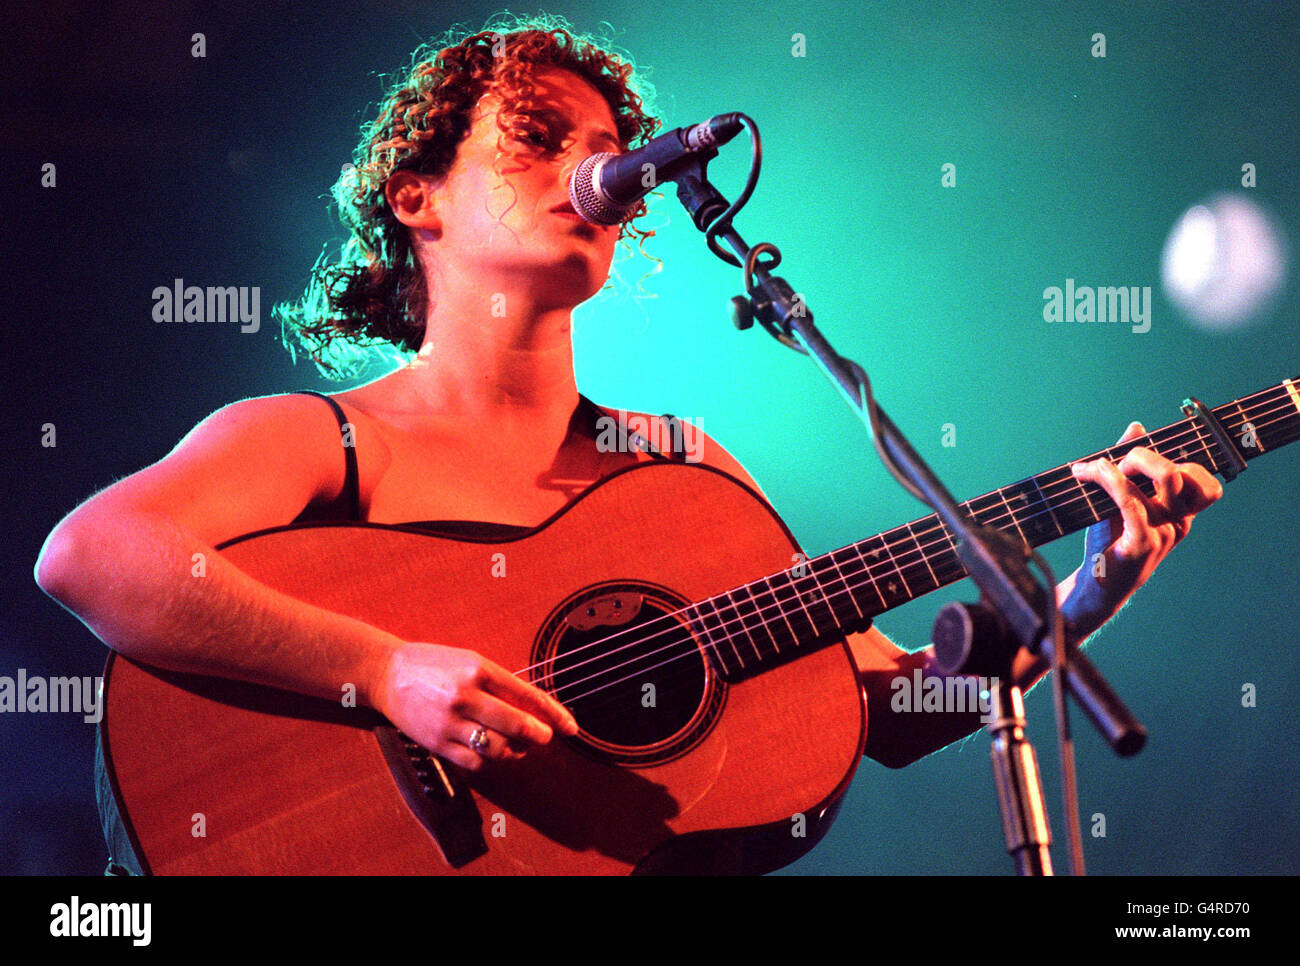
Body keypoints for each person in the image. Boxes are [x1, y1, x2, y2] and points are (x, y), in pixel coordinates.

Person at [34, 19, 1222, 874]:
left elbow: (891, 705)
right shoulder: (322, 439)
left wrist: (1085, 591)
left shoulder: (678, 467)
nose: (594, 173)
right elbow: (92, 556)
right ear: (417, 197)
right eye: (538, 137)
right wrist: (385, 668)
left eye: (602, 147)